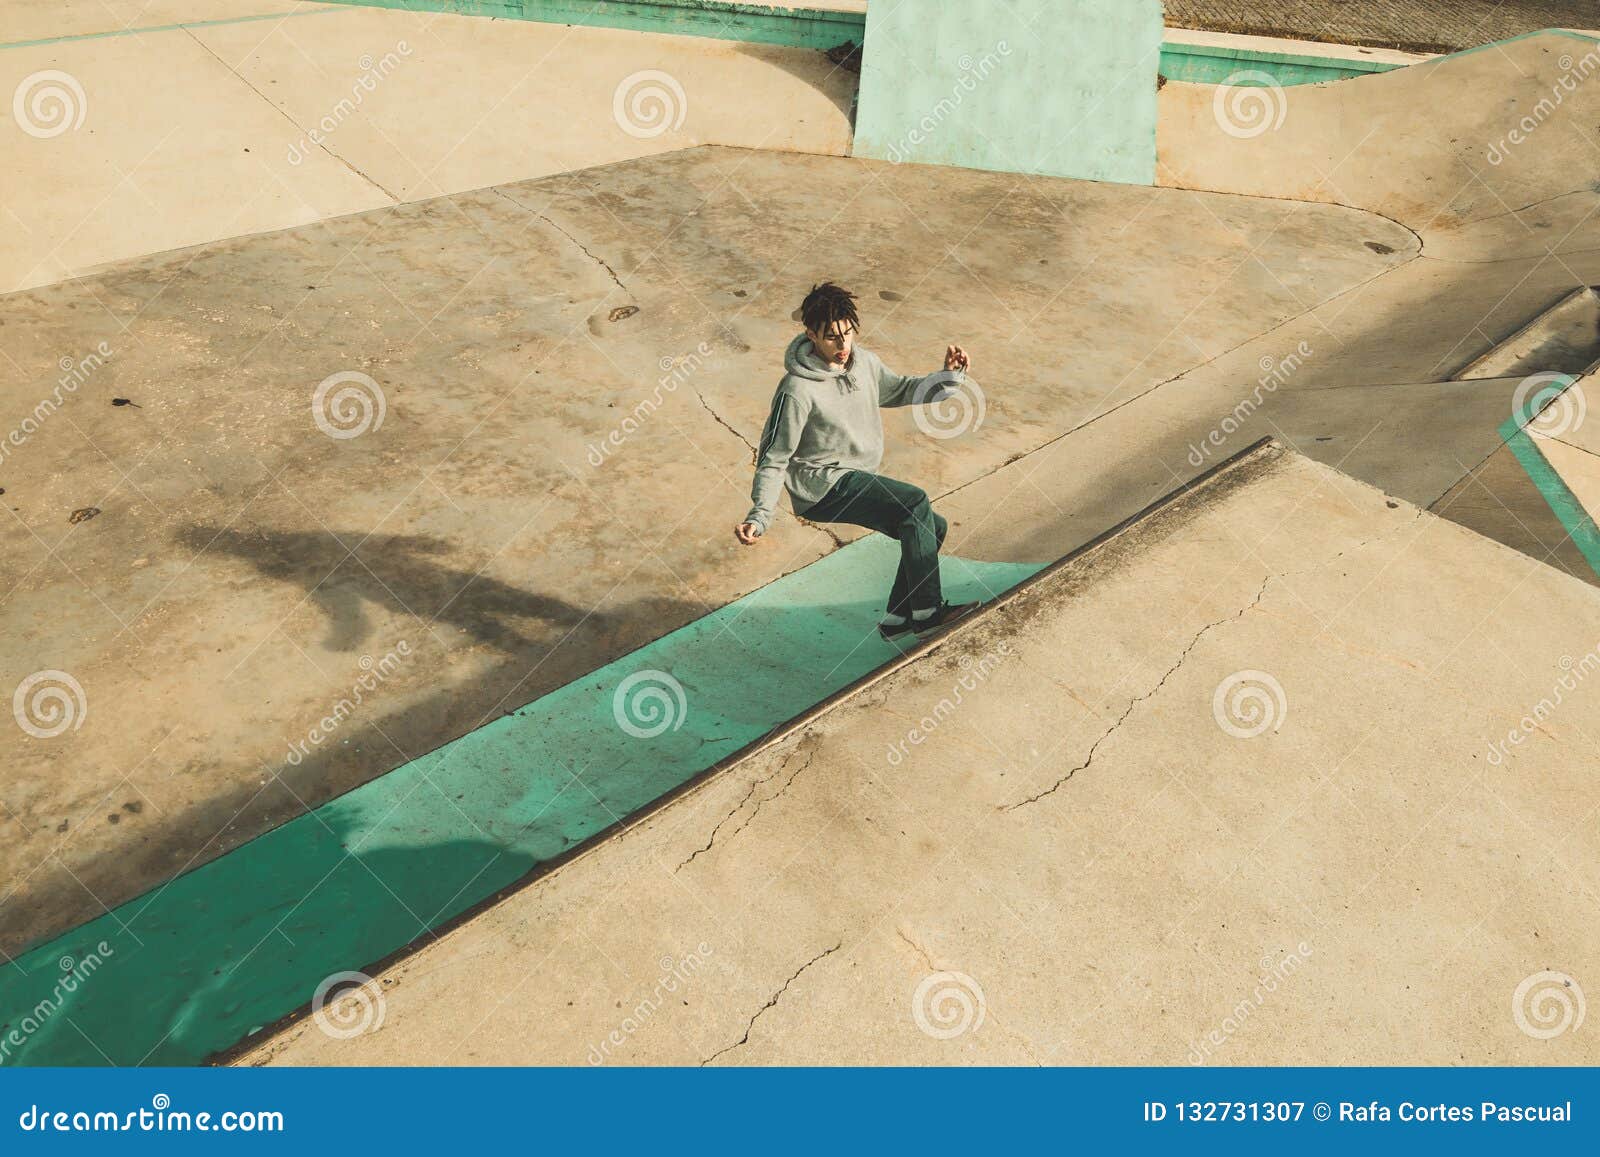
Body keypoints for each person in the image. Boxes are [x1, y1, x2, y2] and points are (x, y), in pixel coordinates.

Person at [733, 281, 979, 640]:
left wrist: (948, 378)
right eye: (831, 337)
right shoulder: (796, 390)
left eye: (847, 334)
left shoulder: (864, 363)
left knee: (930, 526)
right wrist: (760, 515)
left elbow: (902, 389)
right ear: (810, 335)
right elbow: (774, 457)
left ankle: (898, 618)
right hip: (822, 487)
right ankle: (928, 615)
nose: (843, 345)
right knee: (915, 503)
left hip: (855, 478)